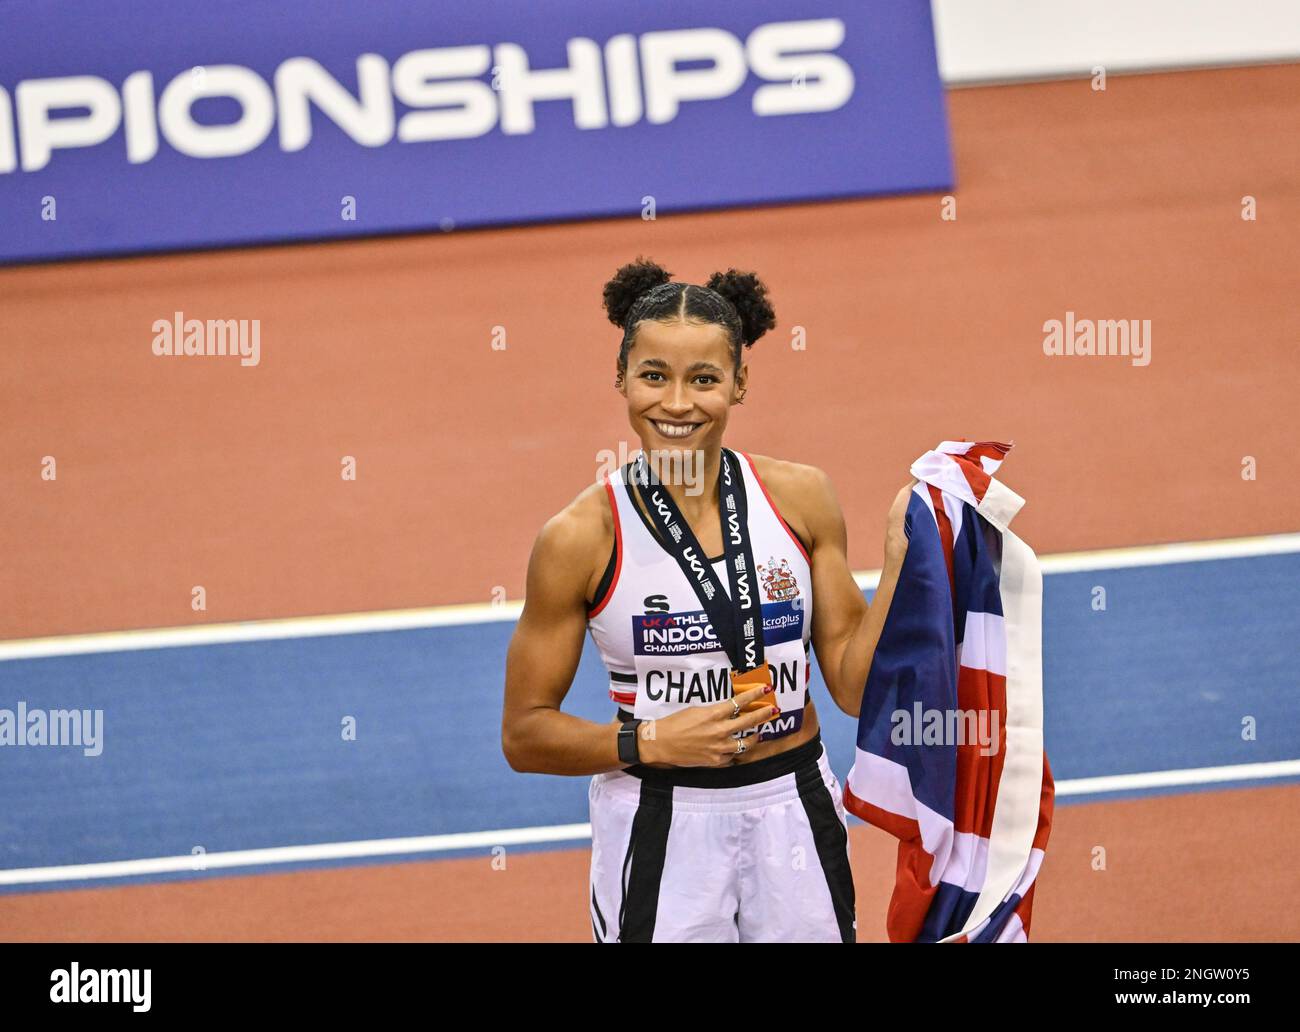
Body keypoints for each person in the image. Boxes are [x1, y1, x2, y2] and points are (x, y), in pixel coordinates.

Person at [502, 257, 911, 942]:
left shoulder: (802, 498)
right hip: (661, 816)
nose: (677, 404)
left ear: (739, 383)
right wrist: (651, 740)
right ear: (621, 378)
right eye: (654, 376)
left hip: (795, 803)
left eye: (705, 379)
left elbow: (854, 688)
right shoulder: (580, 537)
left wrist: (898, 570)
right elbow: (524, 734)